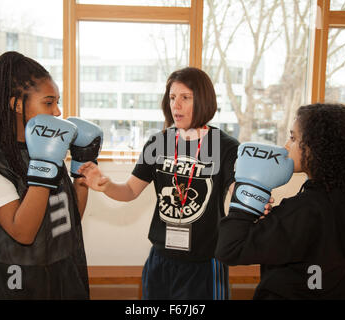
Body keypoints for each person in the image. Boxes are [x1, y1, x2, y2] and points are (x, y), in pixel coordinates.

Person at [78, 67, 242, 299]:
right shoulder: (158, 142)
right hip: (161, 259)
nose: (176, 105)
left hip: (205, 263)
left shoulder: (226, 146)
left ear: (204, 100)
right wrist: (106, 185)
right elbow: (130, 190)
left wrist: (255, 197)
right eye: (172, 98)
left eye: (185, 98)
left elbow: (239, 191)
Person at [215, 103, 345, 299]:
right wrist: (270, 220)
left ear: (318, 147)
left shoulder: (307, 210)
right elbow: (313, 247)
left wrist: (244, 199)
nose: (286, 147)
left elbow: (229, 248)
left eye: (293, 138)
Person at [0, 51, 101, 299]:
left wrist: (82, 170)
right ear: (16, 104)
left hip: (62, 272)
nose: (58, 111)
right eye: (48, 102)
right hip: (17, 283)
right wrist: (44, 164)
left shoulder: (47, 148)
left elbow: (70, 220)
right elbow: (23, 232)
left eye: (57, 101)